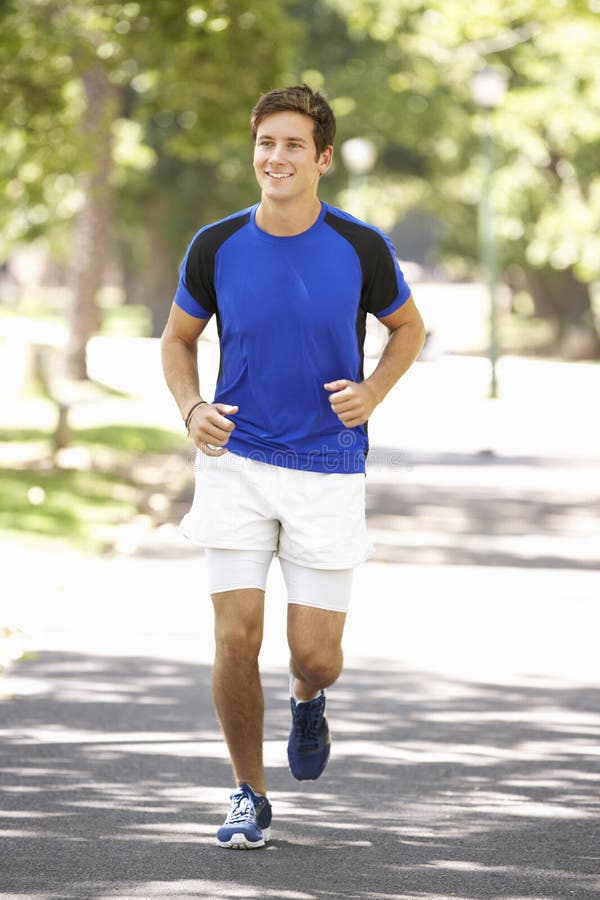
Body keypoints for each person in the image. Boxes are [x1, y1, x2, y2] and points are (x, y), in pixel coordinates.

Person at [161, 84, 425, 850]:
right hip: (235, 459)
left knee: (315, 653)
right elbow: (177, 340)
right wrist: (191, 408)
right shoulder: (216, 244)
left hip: (328, 465)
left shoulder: (360, 246)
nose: (275, 158)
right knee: (235, 636)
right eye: (265, 143)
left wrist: (374, 390)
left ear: (323, 159)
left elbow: (407, 327)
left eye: (292, 146)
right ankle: (248, 792)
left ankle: (309, 697)